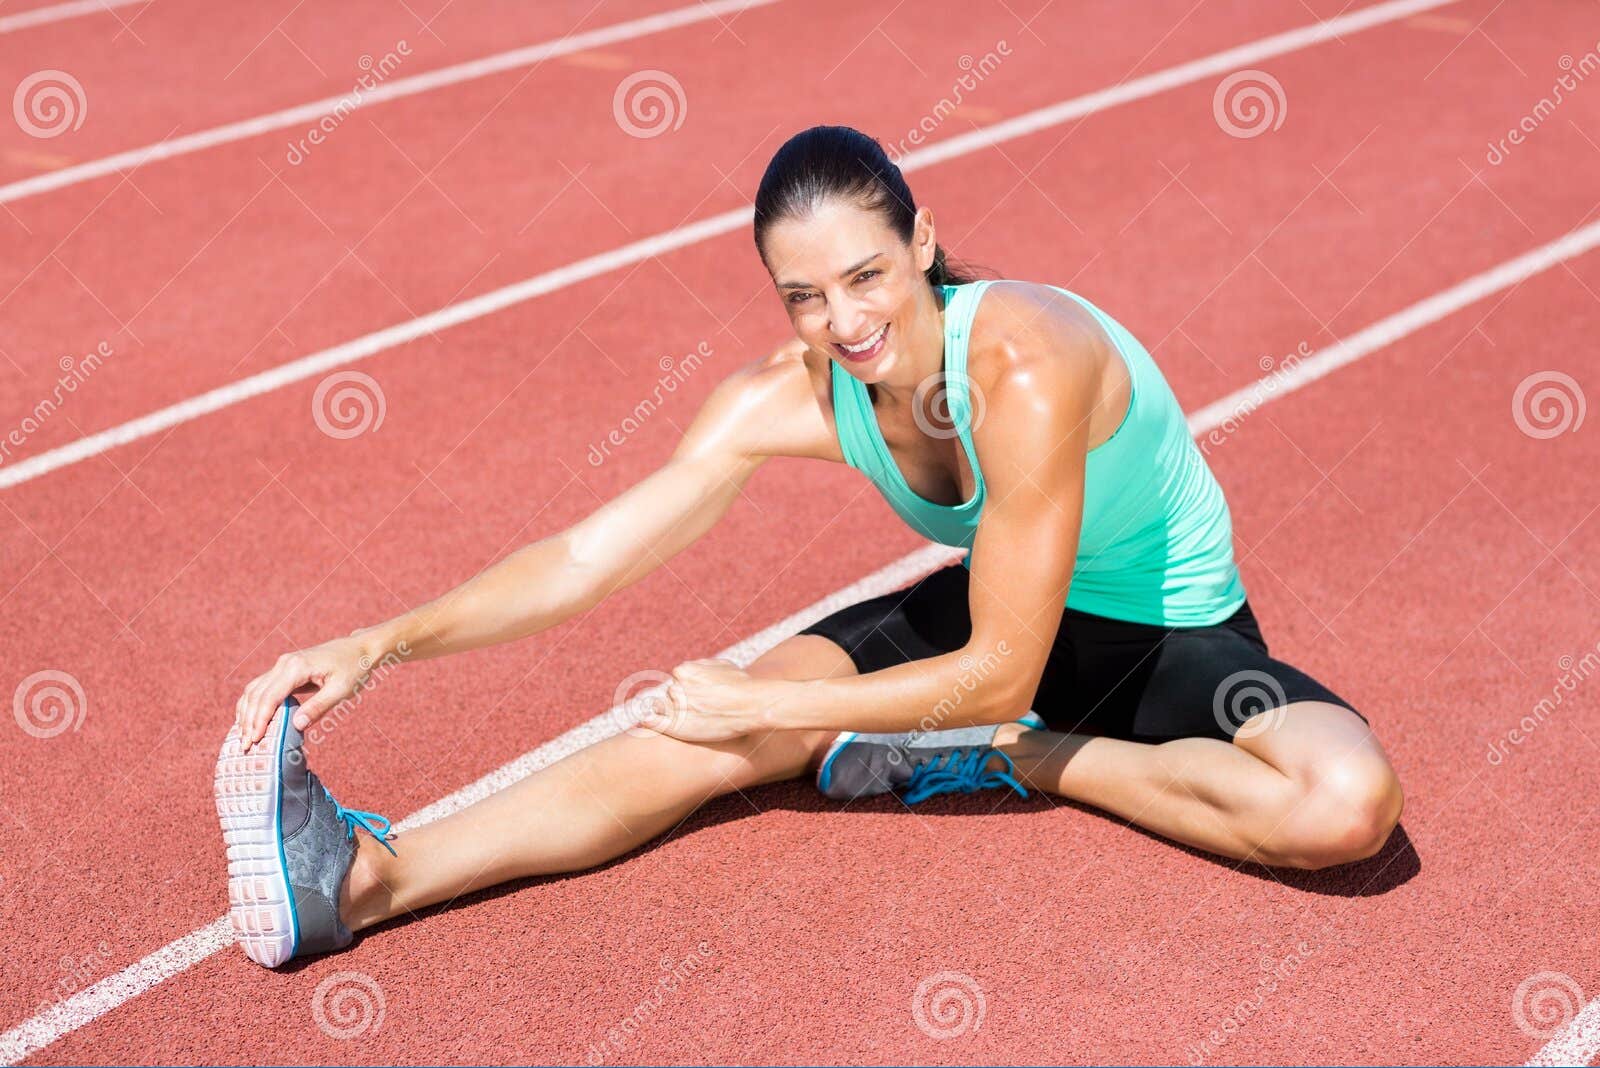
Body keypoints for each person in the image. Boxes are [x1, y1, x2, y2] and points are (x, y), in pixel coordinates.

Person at [216, 125, 1402, 968]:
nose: (845, 323)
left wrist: (780, 714)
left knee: (1344, 806)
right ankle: (367, 881)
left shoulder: (1027, 362)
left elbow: (999, 669)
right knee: (693, 733)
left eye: (866, 276)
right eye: (803, 297)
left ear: (923, 239)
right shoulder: (786, 395)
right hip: (990, 612)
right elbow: (586, 557)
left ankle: (1016, 761)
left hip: (1167, 640)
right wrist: (383, 640)